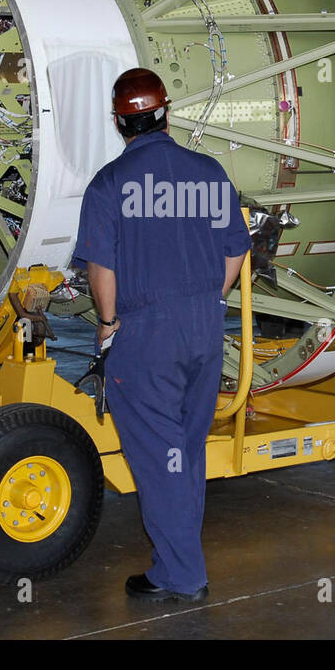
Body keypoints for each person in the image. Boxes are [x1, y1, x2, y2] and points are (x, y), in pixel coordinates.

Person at [72, 68, 251, 602]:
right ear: (165, 113)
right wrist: (205, 298)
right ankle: (180, 558)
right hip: (203, 326)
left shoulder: (108, 184)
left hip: (145, 334)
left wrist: (107, 327)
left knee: (159, 454)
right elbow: (236, 249)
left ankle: (181, 573)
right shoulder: (208, 171)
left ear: (118, 121)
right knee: (185, 450)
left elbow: (102, 271)